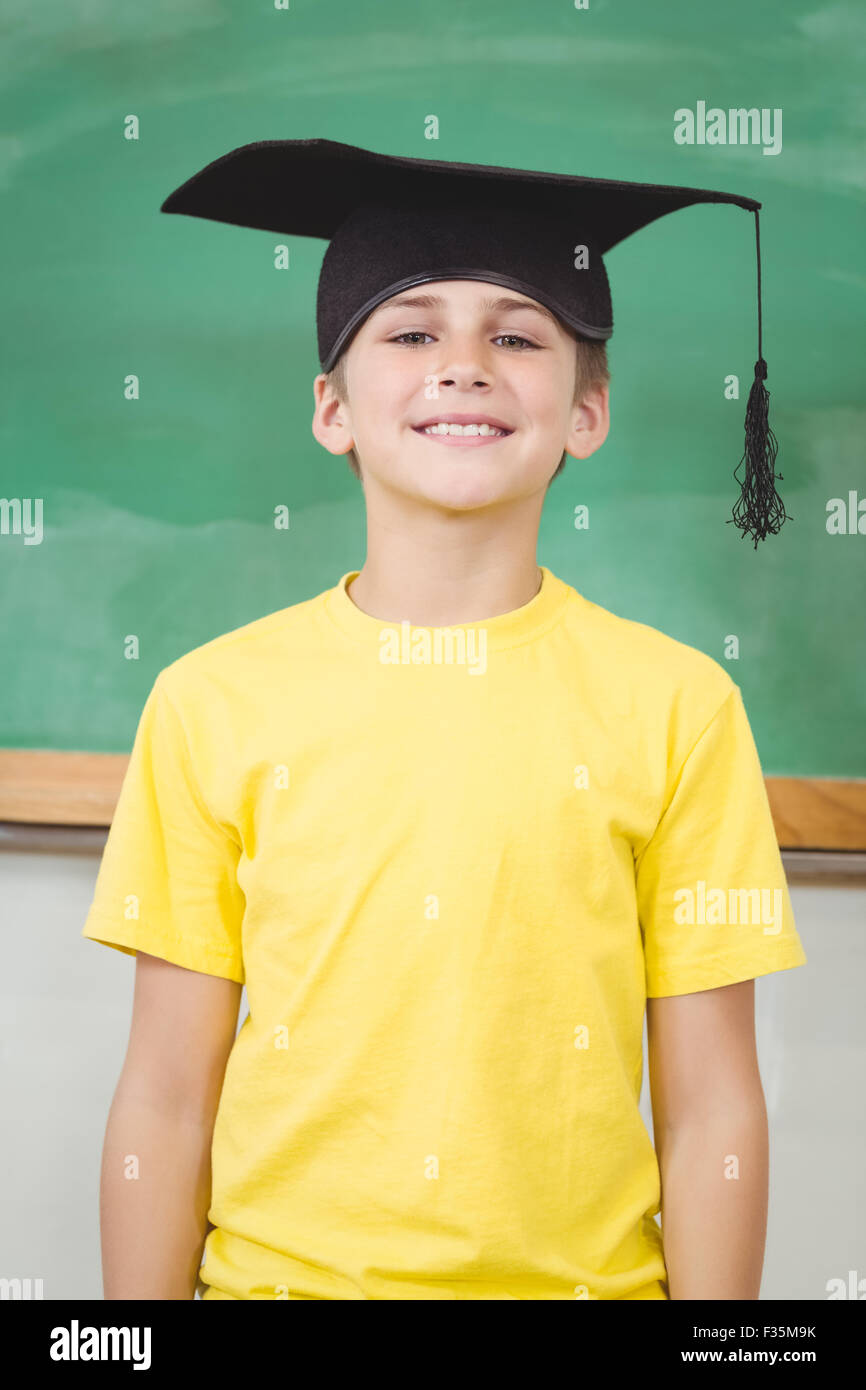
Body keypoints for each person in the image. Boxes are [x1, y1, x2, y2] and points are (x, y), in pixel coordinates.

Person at [82, 140, 806, 1301]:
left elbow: (712, 1098)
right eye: (410, 332)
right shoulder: (211, 701)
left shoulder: (678, 707)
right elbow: (166, 1095)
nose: (462, 367)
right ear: (332, 409)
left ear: (585, 412)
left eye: (516, 336)